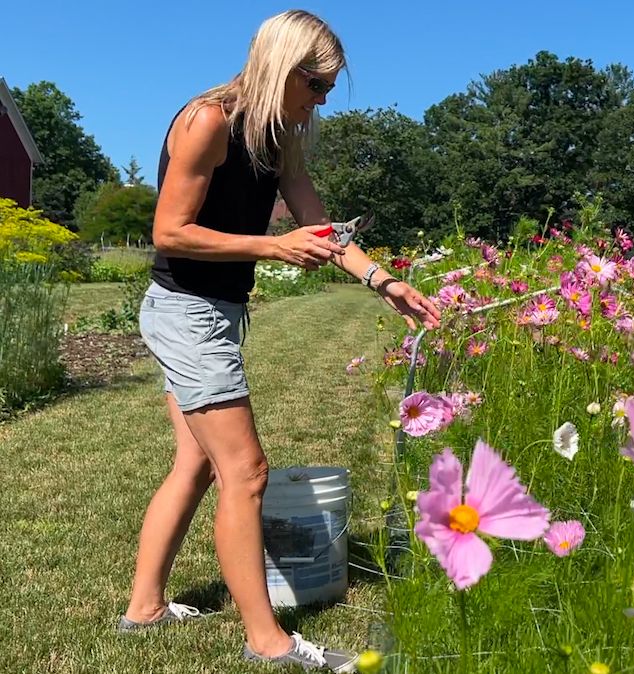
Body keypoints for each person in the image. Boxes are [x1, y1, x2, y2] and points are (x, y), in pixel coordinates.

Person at [117, 10, 440, 671]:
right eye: (315, 85)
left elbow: (321, 229)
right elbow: (170, 231)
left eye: (327, 88)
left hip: (212, 312)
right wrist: (272, 246)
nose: (320, 101)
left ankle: (144, 607)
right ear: (281, 66)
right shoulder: (209, 122)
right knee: (247, 472)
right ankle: (268, 641)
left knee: (199, 464)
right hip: (185, 312)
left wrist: (385, 281)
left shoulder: (278, 136)